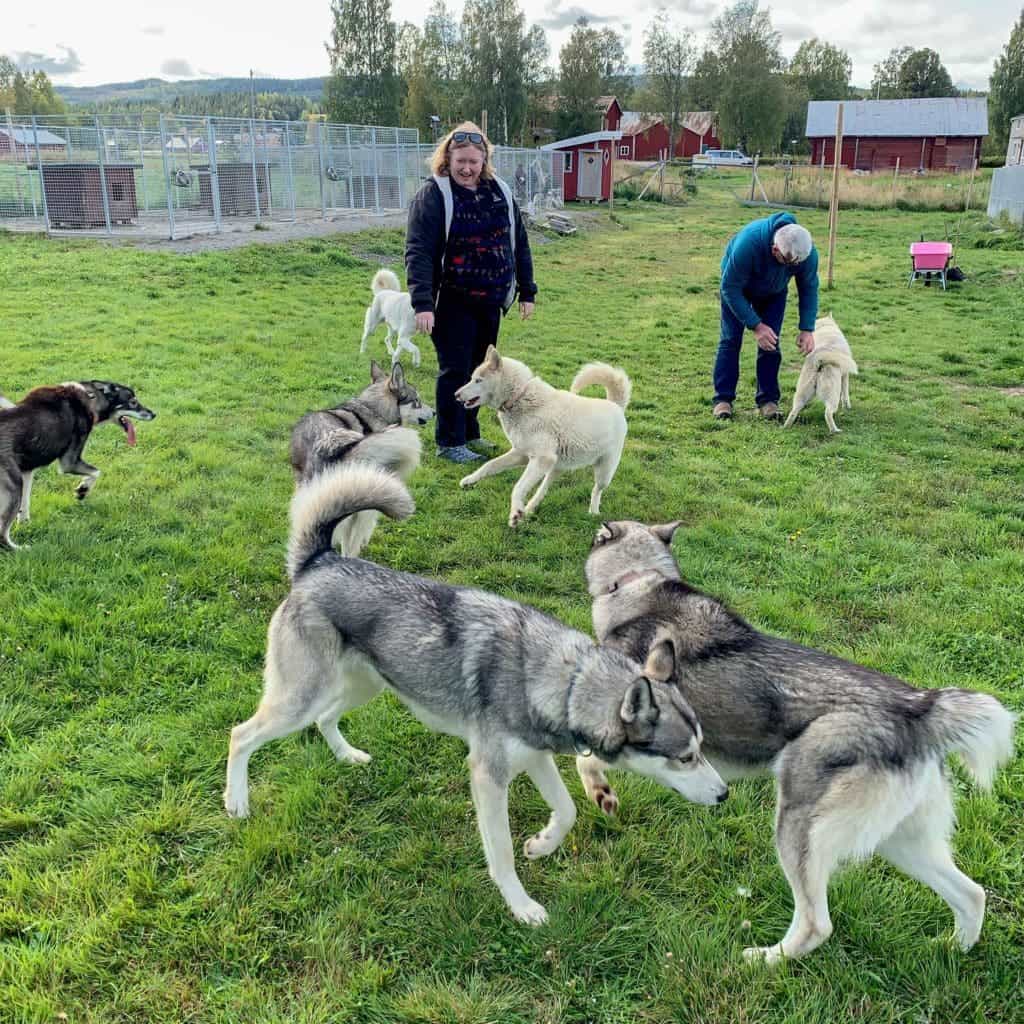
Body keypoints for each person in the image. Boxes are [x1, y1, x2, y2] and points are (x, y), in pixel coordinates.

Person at [405, 122, 537, 463]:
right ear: (446, 158)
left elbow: (518, 242)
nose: (466, 168)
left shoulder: (500, 191)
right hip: (451, 301)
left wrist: (527, 290)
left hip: (491, 300)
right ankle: (450, 441)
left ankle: (470, 434)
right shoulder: (434, 194)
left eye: (473, 162)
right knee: (456, 370)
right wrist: (422, 303)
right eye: (459, 160)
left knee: (481, 372)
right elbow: (418, 251)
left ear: (484, 161)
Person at [712, 212, 818, 421]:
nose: (791, 267)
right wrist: (756, 326)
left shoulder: (805, 253)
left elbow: (809, 287)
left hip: (774, 292)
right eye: (785, 262)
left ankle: (768, 400)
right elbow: (729, 287)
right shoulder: (749, 242)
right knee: (730, 340)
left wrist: (807, 328)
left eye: (795, 264)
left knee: (771, 342)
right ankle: (723, 400)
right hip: (737, 289)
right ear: (774, 249)